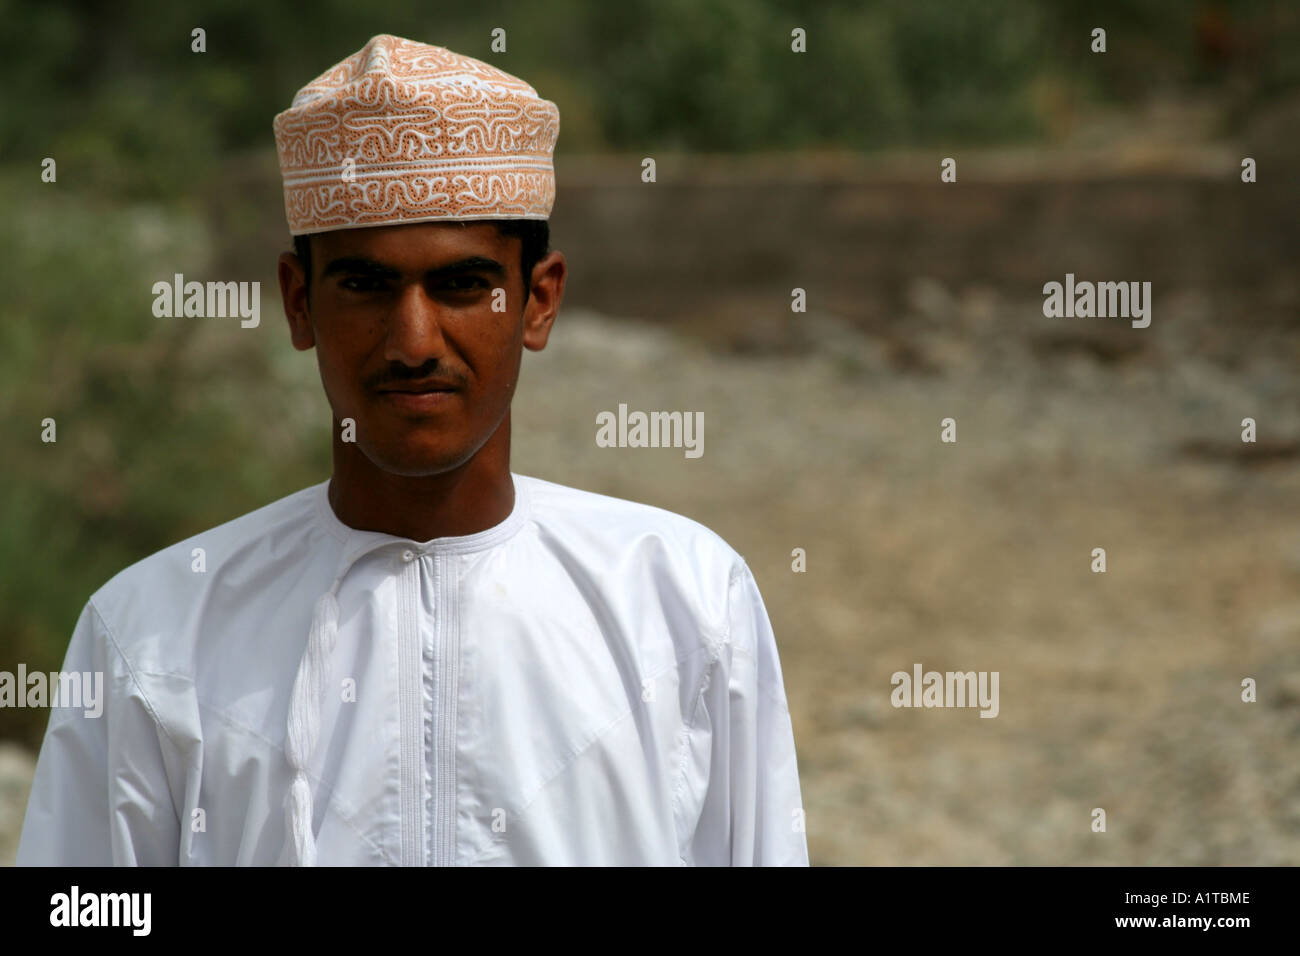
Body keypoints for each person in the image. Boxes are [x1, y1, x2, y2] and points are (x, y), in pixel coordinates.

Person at [17, 34, 809, 866]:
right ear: (298, 303)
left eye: (463, 285)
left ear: (538, 301)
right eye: (366, 286)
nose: (414, 342)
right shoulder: (152, 631)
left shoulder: (683, 601)